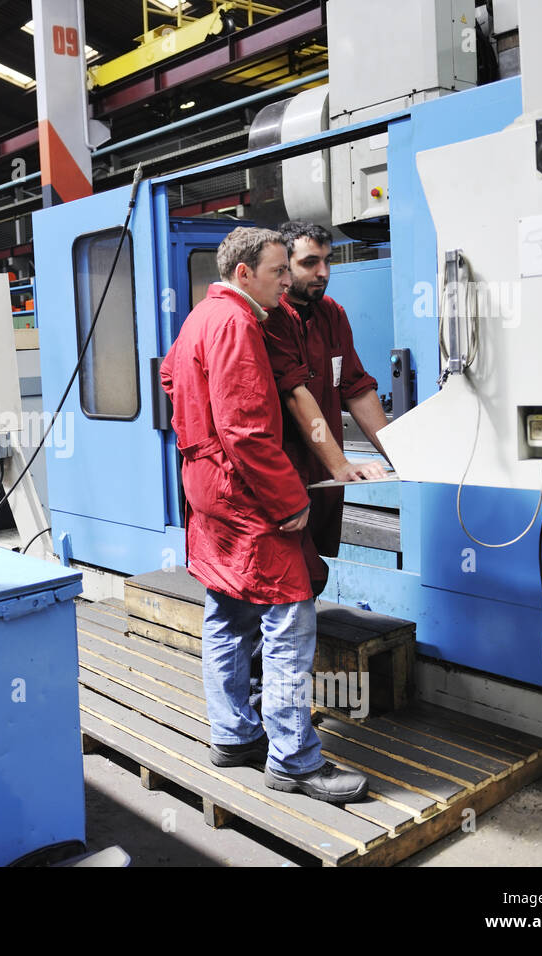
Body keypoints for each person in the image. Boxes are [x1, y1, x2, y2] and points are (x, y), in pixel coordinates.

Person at [160, 226, 368, 803]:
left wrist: (195, 437)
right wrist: (290, 498)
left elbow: (171, 377)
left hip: (209, 490)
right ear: (245, 273)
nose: (289, 282)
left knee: (227, 611)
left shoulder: (202, 316)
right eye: (281, 271)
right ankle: (295, 761)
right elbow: (246, 429)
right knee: (289, 623)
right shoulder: (238, 323)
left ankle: (234, 735)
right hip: (249, 497)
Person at [263, 221, 392, 596]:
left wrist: (399, 453)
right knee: (288, 582)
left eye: (327, 261)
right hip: (286, 476)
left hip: (324, 481)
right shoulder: (270, 318)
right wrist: (342, 464)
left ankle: (296, 651)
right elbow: (295, 395)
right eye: (309, 263)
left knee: (311, 576)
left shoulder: (331, 313)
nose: (323, 273)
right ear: (282, 267)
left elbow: (355, 386)